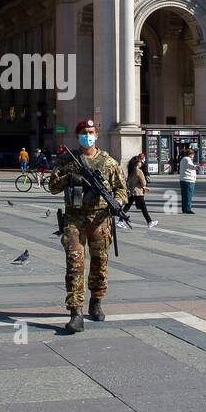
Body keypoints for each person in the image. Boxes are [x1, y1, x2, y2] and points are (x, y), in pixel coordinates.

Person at [48, 118, 127, 333]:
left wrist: (116, 204)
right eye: (84, 131)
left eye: (91, 131)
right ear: (78, 135)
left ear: (96, 134)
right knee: (75, 262)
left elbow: (121, 189)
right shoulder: (68, 160)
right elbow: (52, 186)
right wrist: (70, 177)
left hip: (100, 219)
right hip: (74, 219)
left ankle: (96, 300)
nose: (88, 135)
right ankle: (76, 311)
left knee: (100, 262)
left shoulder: (108, 162)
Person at [126, 153, 158, 228]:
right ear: (137, 163)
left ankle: (120, 220)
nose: (141, 163)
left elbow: (129, 181)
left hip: (132, 191)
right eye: (140, 162)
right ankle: (149, 222)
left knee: (127, 206)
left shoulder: (131, 171)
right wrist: (145, 187)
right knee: (143, 207)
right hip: (138, 192)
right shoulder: (139, 171)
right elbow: (143, 182)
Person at [179, 145, 198, 214]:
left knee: (184, 195)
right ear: (190, 154)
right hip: (188, 180)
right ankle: (188, 209)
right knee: (188, 195)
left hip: (184, 180)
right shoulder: (187, 159)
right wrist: (196, 167)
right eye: (193, 154)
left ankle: (184, 208)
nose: (193, 156)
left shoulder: (183, 159)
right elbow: (190, 166)